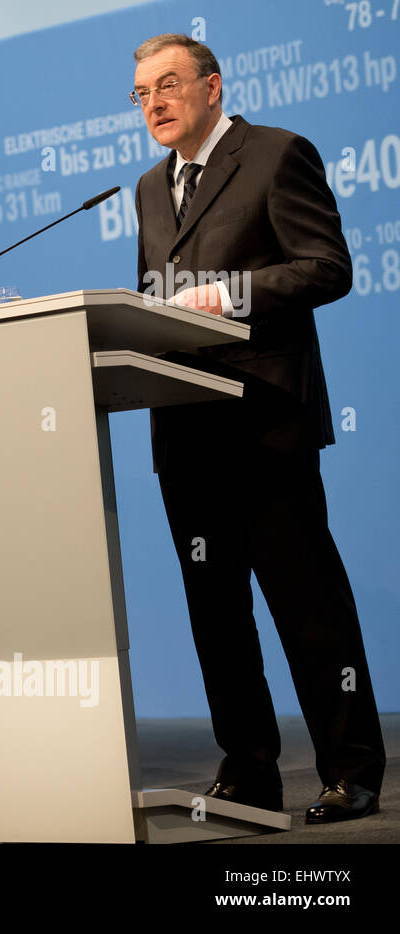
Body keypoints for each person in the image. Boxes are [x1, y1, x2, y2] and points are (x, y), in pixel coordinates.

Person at [131, 33, 385, 823]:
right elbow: (153, 294)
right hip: (184, 431)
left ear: (212, 86)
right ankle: (248, 770)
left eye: (169, 85)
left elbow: (326, 266)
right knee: (217, 615)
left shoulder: (276, 155)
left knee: (309, 607)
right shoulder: (147, 188)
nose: (155, 103)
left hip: (264, 424)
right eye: (142, 94)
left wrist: (226, 296)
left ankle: (352, 770)